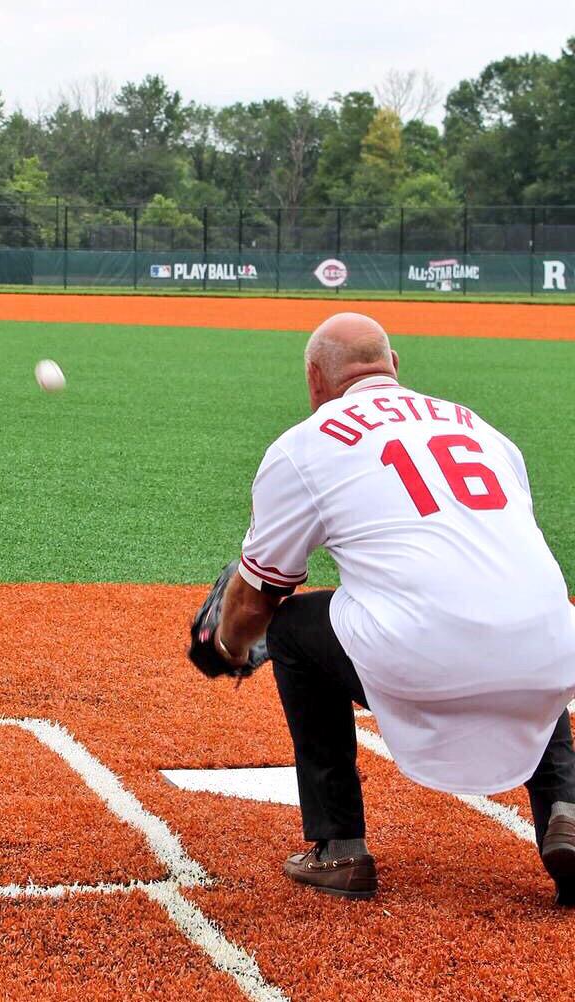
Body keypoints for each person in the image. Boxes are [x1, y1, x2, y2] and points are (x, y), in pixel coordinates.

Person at [200, 311, 575, 904]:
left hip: (428, 657)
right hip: (556, 652)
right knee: (523, 615)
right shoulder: (480, 427)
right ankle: (567, 806)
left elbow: (256, 599)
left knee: (292, 624)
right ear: (393, 366)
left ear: (314, 381)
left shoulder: (304, 444)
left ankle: (337, 847)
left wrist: (226, 646)